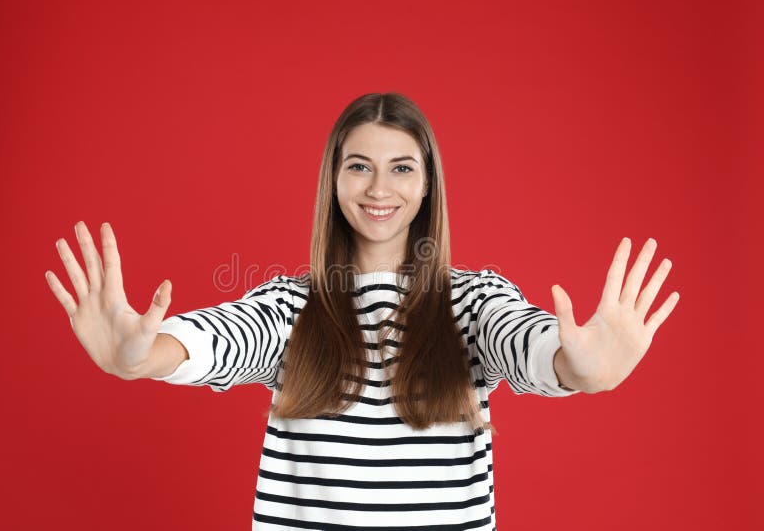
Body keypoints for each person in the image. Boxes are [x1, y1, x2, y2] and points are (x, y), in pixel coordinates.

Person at [44, 92, 680, 530]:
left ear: (427, 183)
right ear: (334, 180)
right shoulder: (292, 306)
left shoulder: (472, 301)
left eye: (401, 168)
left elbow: (526, 343)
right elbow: (220, 337)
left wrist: (576, 365)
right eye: (359, 167)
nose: (380, 189)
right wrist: (141, 356)